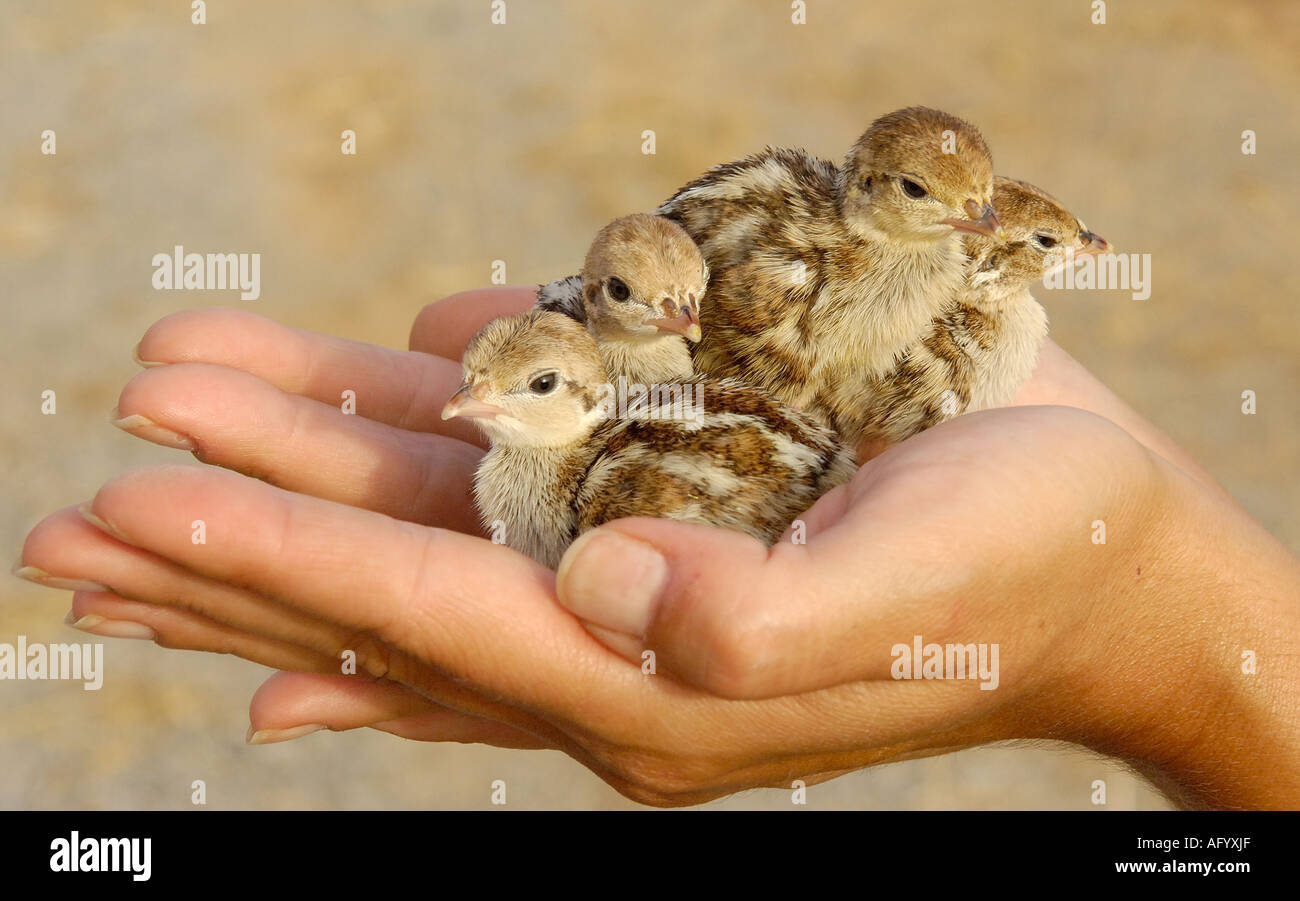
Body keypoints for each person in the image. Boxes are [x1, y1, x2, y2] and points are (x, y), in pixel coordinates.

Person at [17, 289, 1300, 808]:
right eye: (479, 389)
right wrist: (1183, 637)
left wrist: (1142, 635)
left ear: (575, 401)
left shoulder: (605, 481)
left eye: (510, 396)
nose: (466, 413)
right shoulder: (587, 435)